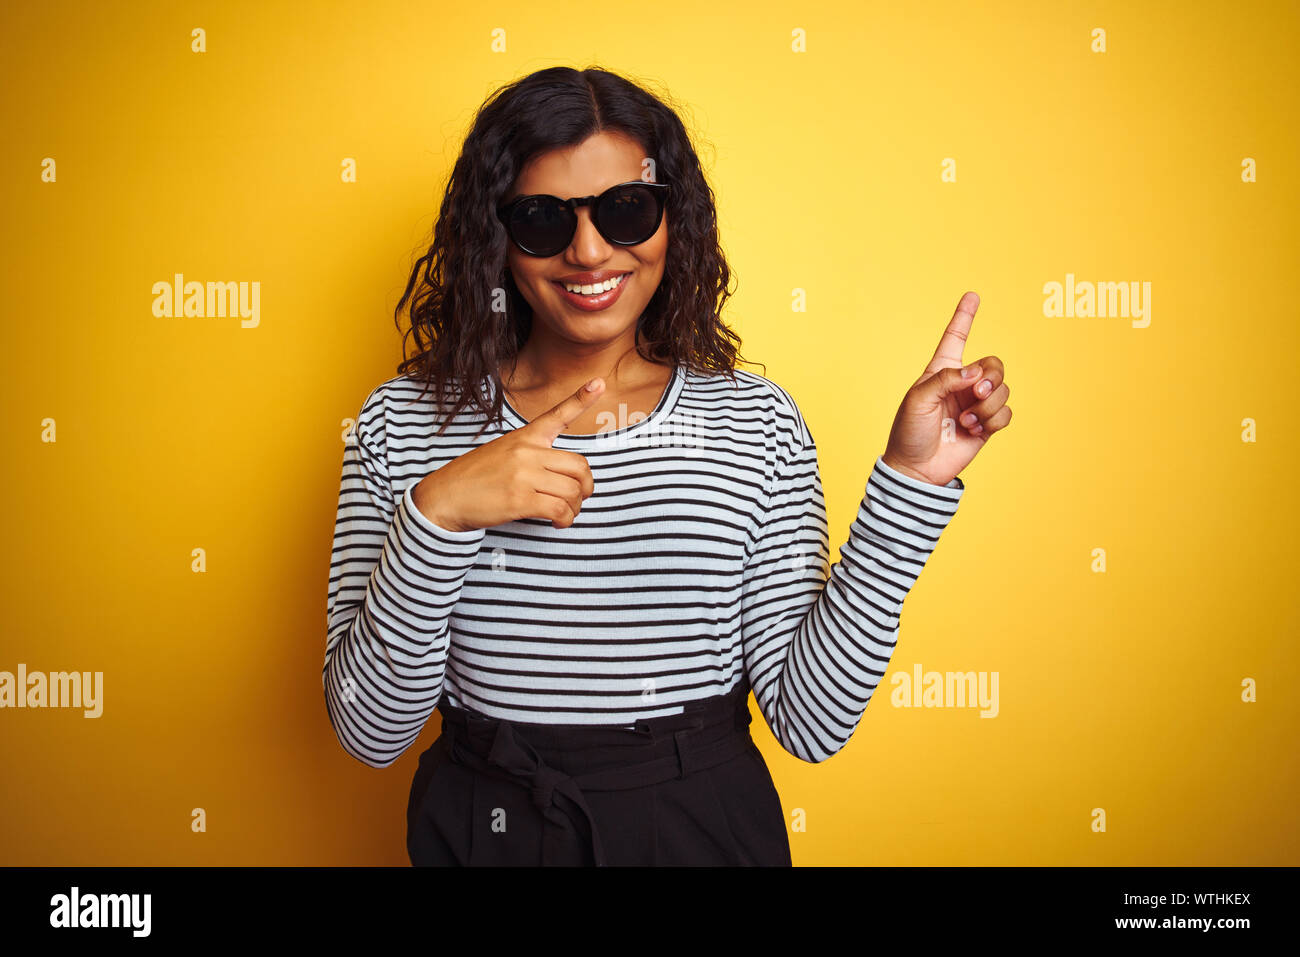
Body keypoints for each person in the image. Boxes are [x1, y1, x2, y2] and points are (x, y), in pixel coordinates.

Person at [322, 65, 1012, 866]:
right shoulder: (400, 423)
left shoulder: (754, 424)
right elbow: (370, 733)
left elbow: (811, 720)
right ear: (496, 238)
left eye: (625, 210)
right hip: (487, 824)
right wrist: (435, 518)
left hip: (698, 823)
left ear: (672, 221)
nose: (588, 252)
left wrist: (910, 484)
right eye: (543, 220)